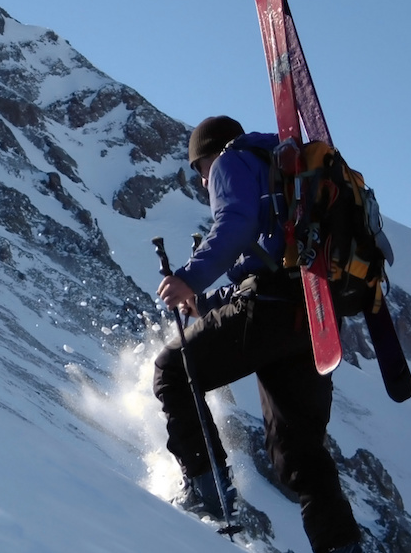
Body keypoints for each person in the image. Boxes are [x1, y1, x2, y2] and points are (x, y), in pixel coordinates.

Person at [153, 115, 363, 553]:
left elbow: (237, 223)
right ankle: (341, 547)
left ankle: (209, 498)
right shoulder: (283, 170)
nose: (204, 183)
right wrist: (208, 304)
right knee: (299, 453)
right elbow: (268, 254)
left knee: (172, 370)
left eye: (200, 174)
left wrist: (191, 279)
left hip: (268, 309)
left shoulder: (230, 162)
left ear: (205, 159)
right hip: (310, 315)